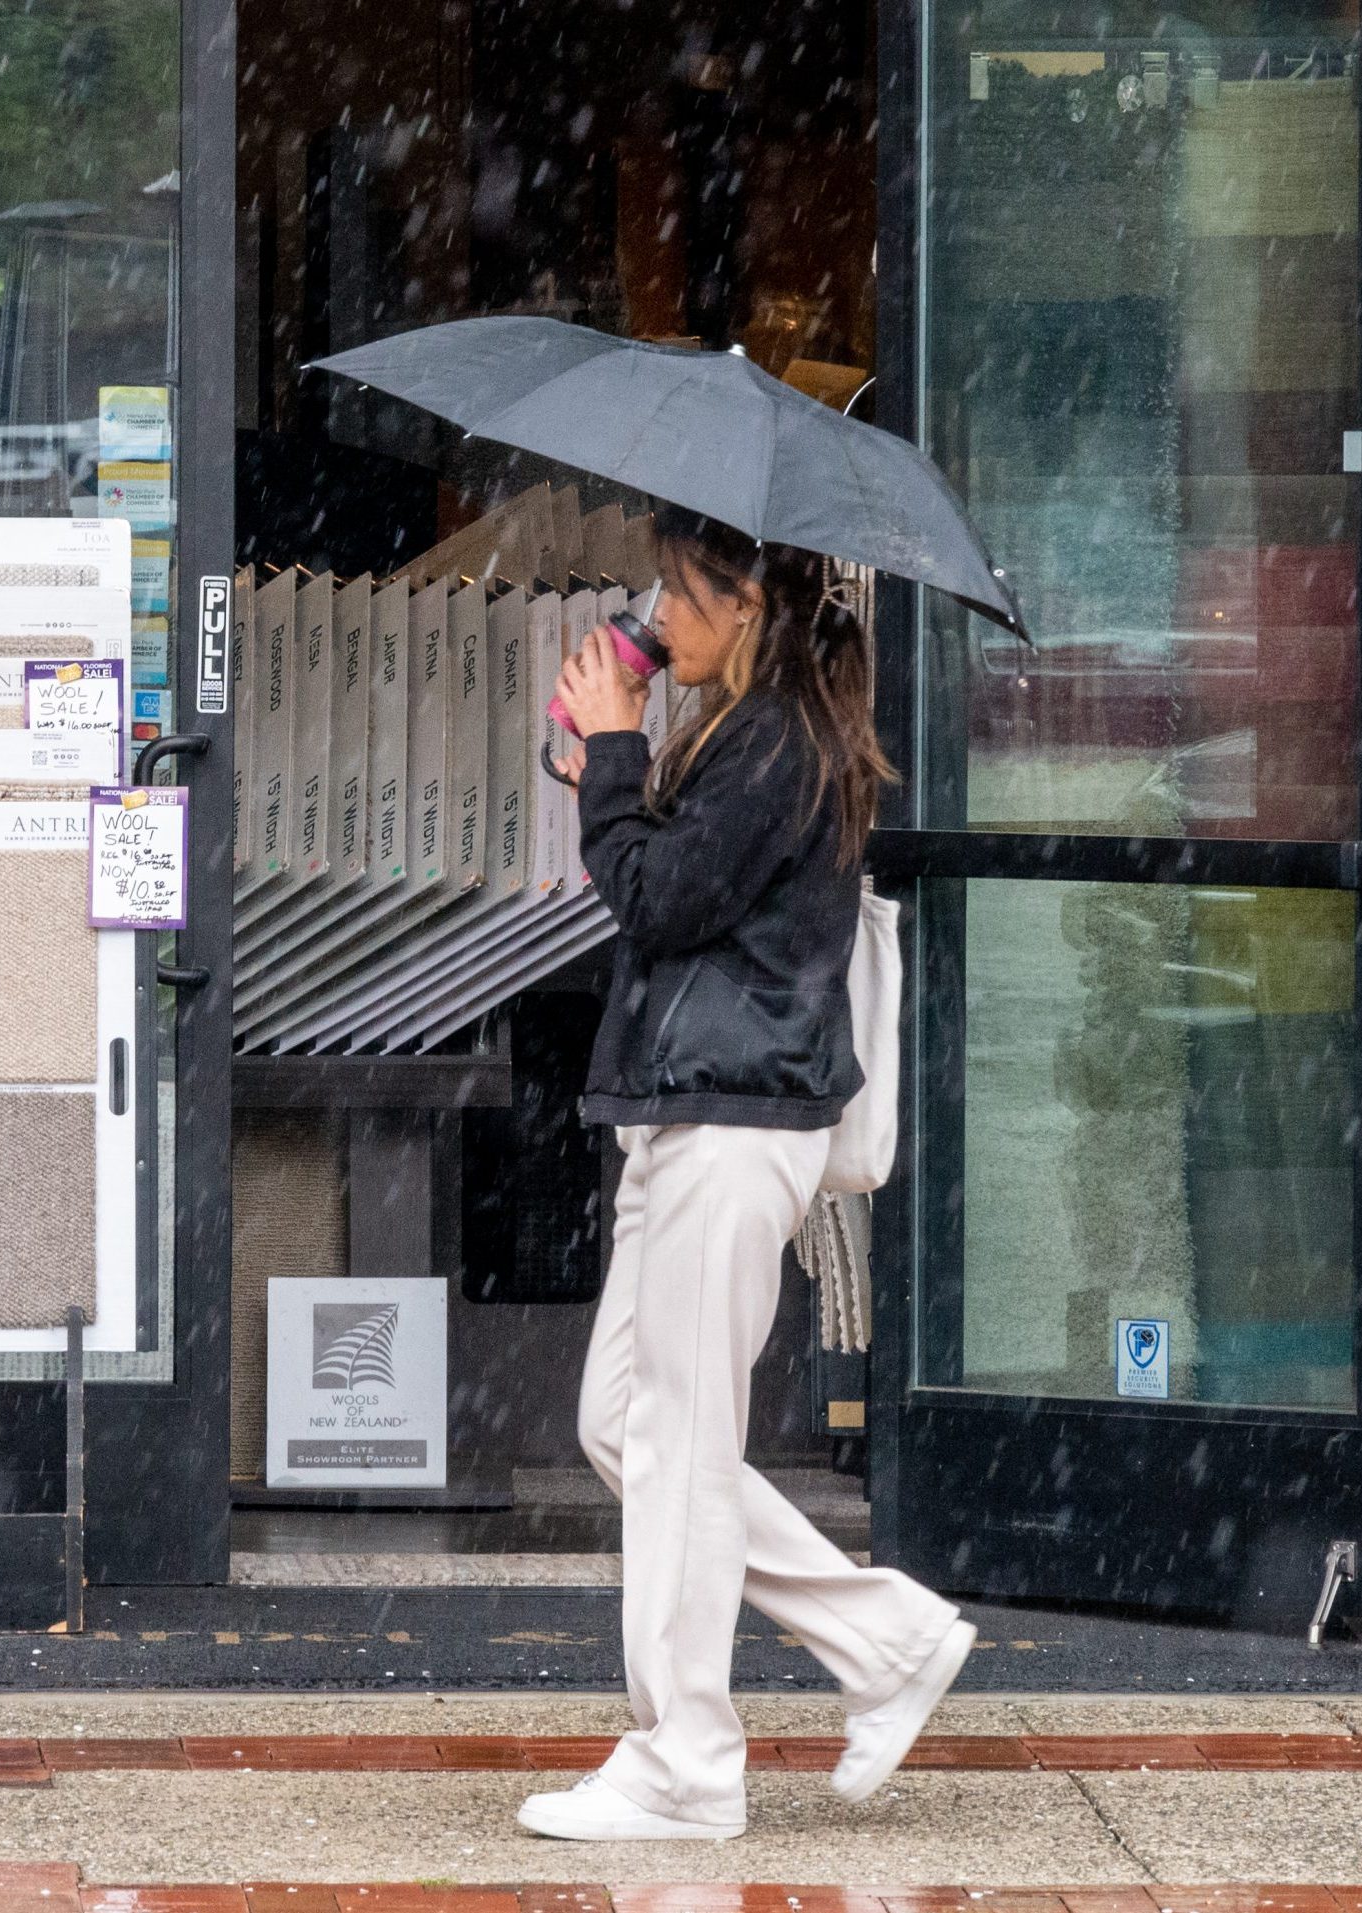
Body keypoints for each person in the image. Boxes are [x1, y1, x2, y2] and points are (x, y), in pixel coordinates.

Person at [515, 508, 975, 1843]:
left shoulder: (775, 739)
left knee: (672, 1437)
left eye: (679, 590)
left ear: (748, 605)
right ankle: (884, 1638)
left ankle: (684, 1761)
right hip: (689, 1112)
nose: (661, 613)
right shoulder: (744, 729)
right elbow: (661, 874)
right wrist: (610, 753)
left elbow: (659, 901)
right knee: (630, 1424)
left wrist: (612, 748)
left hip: (731, 1120)